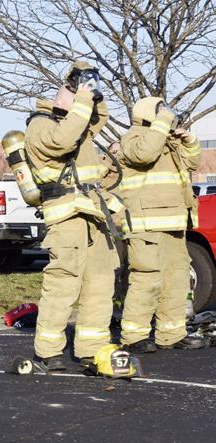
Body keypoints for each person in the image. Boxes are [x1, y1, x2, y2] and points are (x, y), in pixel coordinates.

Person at [24, 61, 125, 370]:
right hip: (66, 217)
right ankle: (48, 350)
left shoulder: (80, 123)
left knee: (100, 283)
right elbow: (61, 141)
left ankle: (91, 348)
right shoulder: (41, 124)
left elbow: (99, 117)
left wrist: (95, 93)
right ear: (60, 94)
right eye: (74, 89)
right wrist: (80, 99)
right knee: (63, 283)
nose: (82, 96)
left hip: (93, 215)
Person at [116, 97, 207, 351]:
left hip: (173, 223)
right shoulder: (134, 138)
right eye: (160, 110)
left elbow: (192, 163)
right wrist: (164, 121)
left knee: (177, 280)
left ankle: (171, 334)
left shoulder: (164, 139)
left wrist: (189, 142)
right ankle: (134, 337)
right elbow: (144, 155)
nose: (166, 114)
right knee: (147, 279)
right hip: (146, 225)